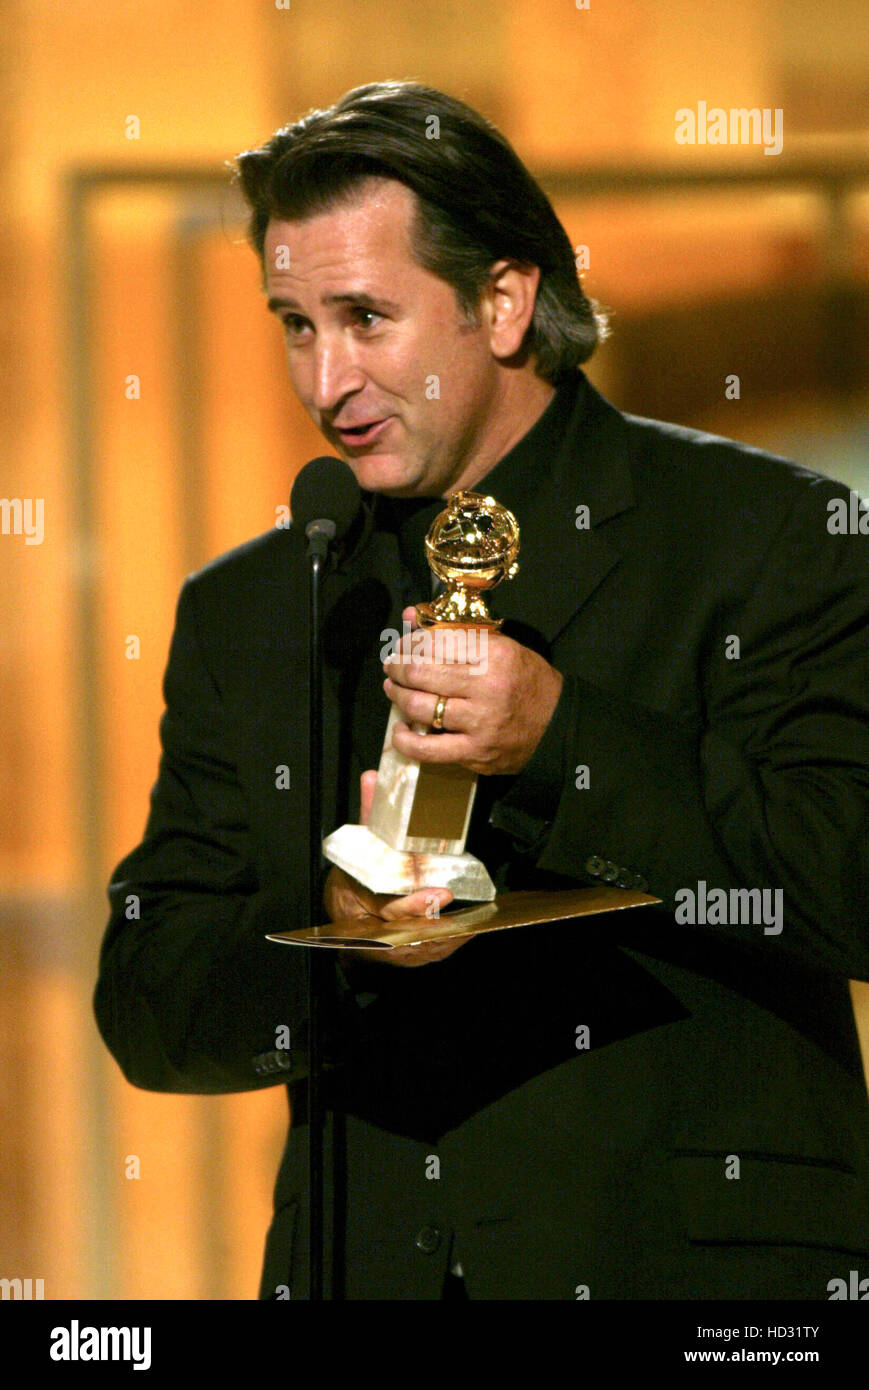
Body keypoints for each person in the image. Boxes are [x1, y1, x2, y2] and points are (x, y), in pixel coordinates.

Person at [93, 80, 869, 1300]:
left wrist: (562, 740)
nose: (324, 379)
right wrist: (335, 945)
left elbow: (848, 881)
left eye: (363, 316)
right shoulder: (259, 602)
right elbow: (148, 1000)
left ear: (502, 302)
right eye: (294, 323)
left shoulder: (768, 533)